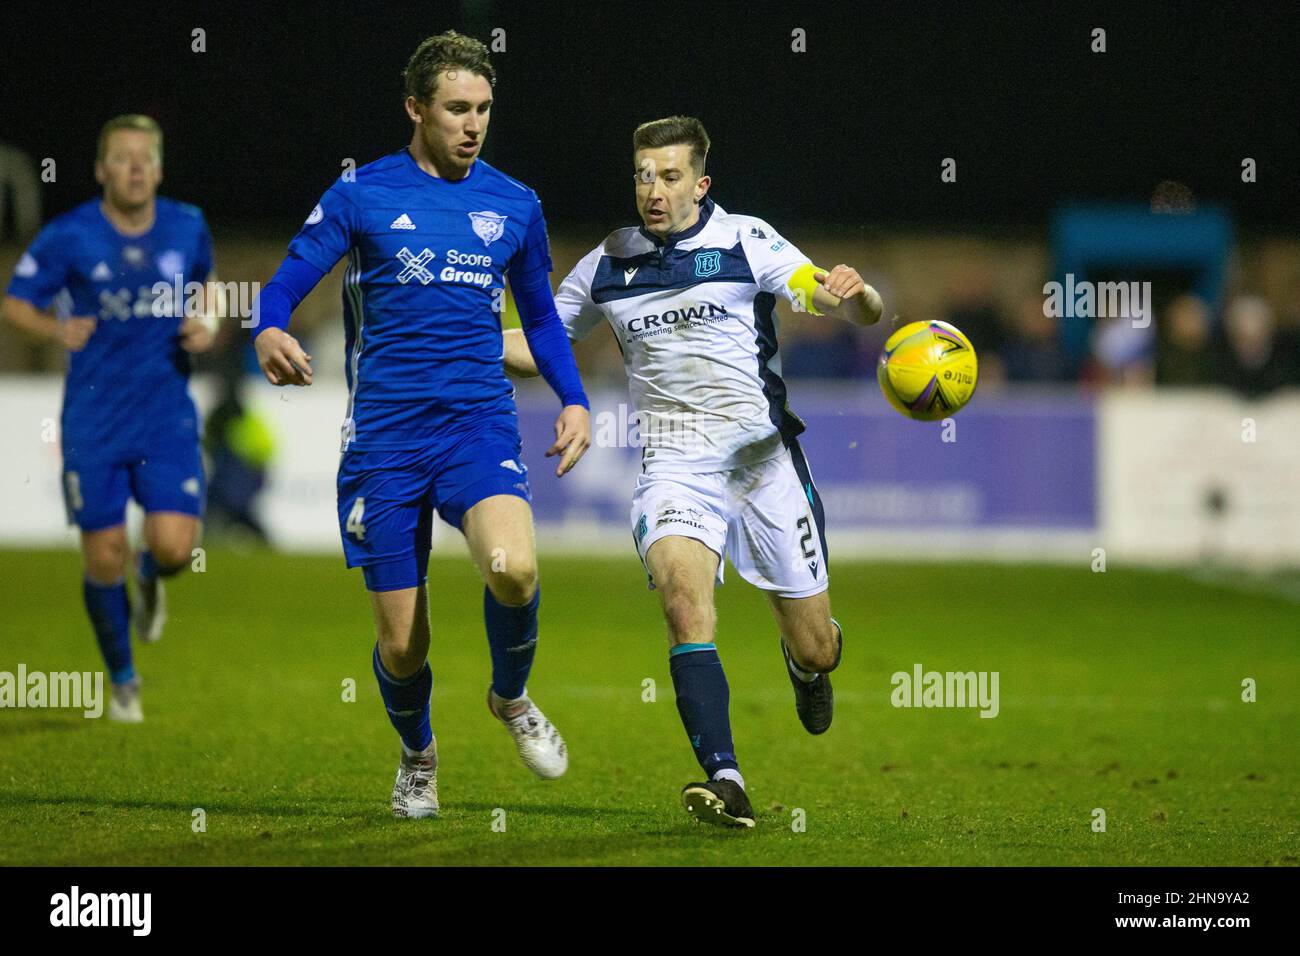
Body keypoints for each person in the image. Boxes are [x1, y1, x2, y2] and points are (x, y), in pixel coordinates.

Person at [505, 116, 881, 828]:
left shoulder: (745, 239)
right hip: (675, 467)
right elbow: (544, 343)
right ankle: (726, 779)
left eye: (669, 175)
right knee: (684, 601)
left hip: (764, 465)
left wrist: (858, 295)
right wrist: (455, 339)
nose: (653, 188)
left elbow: (840, 300)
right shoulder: (607, 263)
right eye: (643, 174)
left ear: (701, 183)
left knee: (818, 644)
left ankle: (806, 665)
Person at [250, 31, 591, 819]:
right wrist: (267, 326)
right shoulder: (362, 195)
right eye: (456, 109)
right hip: (385, 441)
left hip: (477, 426)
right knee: (404, 646)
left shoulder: (515, 203)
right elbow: (287, 280)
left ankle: (510, 698)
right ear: (415, 108)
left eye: (484, 110)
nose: (473, 125)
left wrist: (572, 398)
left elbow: (539, 321)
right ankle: (418, 756)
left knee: (513, 569)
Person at [2, 115, 218, 723]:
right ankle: (123, 679)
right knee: (103, 558)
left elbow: (208, 287)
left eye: (144, 157)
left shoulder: (187, 225)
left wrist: (207, 321)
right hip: (93, 420)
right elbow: (15, 303)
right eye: (121, 158)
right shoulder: (70, 235)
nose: (134, 168)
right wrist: (55, 328)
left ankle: (151, 578)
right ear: (101, 170)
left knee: (175, 548)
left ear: (158, 168)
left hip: (165, 413)